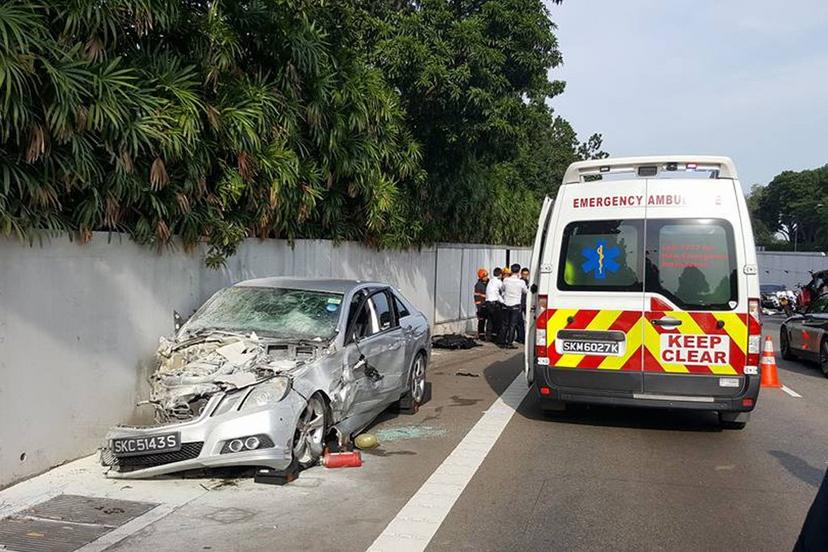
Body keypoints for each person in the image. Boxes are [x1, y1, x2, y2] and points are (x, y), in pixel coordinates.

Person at [499, 263, 527, 348]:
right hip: (515, 305)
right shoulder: (521, 282)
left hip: (506, 304)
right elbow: (526, 291)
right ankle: (509, 343)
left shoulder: (506, 280)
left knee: (504, 324)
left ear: (511, 270)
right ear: (519, 271)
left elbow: (502, 289)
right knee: (512, 325)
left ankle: (502, 342)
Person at [485, 267, 504, 342]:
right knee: (497, 321)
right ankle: (496, 337)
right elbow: (503, 290)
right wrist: (504, 302)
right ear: (500, 275)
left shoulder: (490, 281)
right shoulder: (499, 282)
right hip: (494, 304)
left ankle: (488, 336)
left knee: (490, 320)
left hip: (488, 303)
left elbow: (496, 294)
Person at [474, 268, 489, 339]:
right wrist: (479, 307)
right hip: (482, 305)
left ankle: (489, 334)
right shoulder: (478, 285)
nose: (486, 277)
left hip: (488, 304)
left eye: (486, 276)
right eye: (484, 276)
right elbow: (477, 297)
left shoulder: (489, 283)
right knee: (481, 320)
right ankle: (481, 334)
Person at [516, 267, 530, 342]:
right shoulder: (519, 282)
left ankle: (526, 337)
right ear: (521, 274)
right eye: (524, 274)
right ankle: (520, 337)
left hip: (526, 303)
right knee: (519, 322)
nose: (525, 276)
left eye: (526, 274)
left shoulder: (529, 282)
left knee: (528, 321)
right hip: (519, 303)